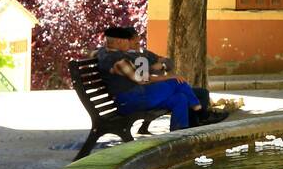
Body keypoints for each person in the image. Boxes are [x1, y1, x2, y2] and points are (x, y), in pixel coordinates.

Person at [95, 27, 225, 130]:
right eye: (127, 41)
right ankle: (202, 114)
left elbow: (95, 53)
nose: (128, 44)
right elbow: (143, 79)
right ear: (119, 41)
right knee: (176, 83)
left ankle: (178, 134)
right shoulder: (119, 60)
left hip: (135, 97)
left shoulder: (103, 52)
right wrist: (169, 76)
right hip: (130, 100)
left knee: (180, 98)